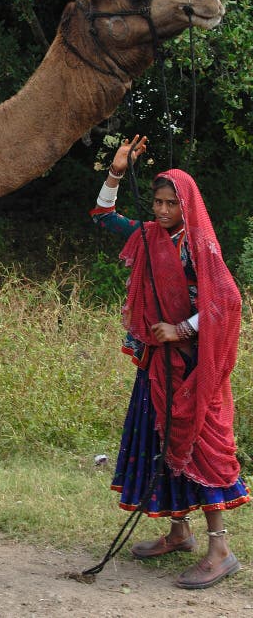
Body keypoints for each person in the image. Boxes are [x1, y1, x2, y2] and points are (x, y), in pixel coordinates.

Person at [91, 135, 250, 589]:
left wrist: (180, 330)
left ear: (186, 206)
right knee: (160, 445)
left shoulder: (202, 249)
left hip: (193, 372)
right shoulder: (147, 238)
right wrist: (117, 171)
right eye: (157, 202)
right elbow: (103, 217)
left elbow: (227, 303)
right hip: (156, 367)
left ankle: (219, 549)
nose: (160, 211)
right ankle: (179, 532)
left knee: (198, 444)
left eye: (168, 204)